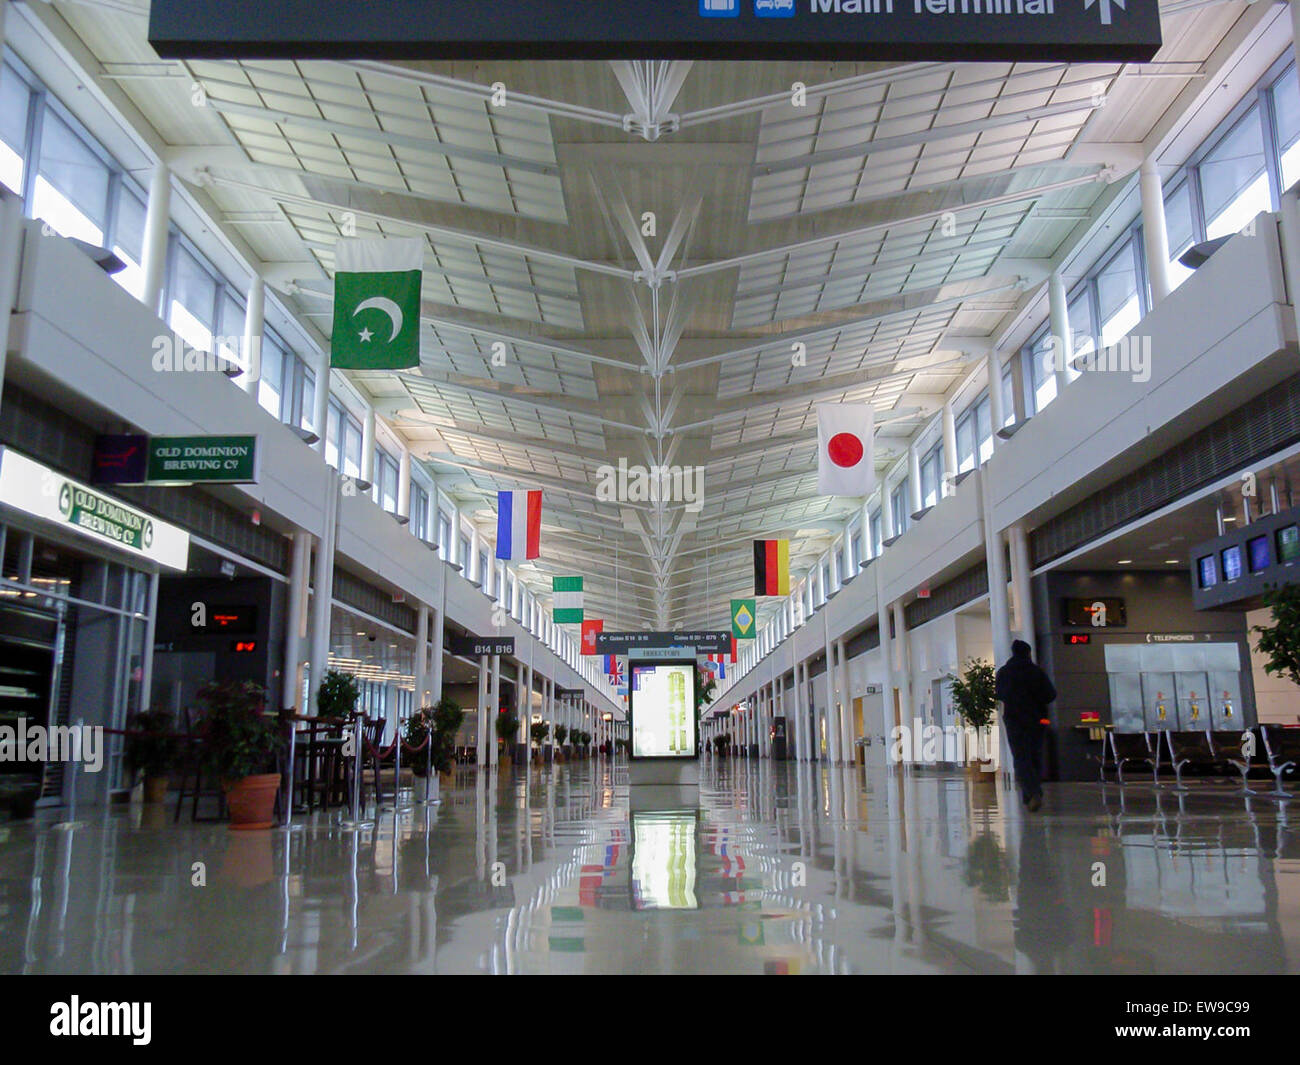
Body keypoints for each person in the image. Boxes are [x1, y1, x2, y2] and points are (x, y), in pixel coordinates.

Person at [995, 639, 1056, 812]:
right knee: (1035, 755)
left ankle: (1031, 793)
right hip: (1037, 720)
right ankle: (1032, 793)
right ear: (1028, 653)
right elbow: (1050, 695)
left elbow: (1000, 694)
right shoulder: (1036, 672)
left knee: (1021, 758)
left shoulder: (1005, 673)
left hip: (1014, 721)